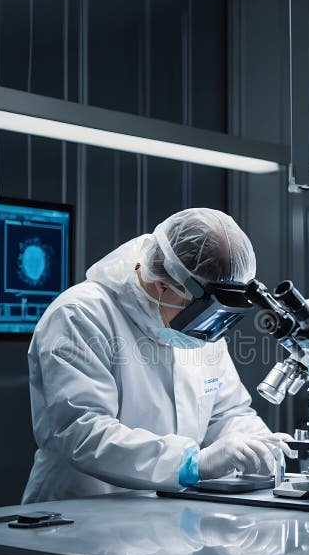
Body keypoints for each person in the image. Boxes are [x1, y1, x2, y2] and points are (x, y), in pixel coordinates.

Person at [22, 208, 289, 503]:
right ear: (165, 283)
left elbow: (226, 413)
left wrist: (259, 447)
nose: (210, 326)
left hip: (162, 519)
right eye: (200, 310)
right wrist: (191, 463)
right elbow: (82, 432)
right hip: (80, 513)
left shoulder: (199, 326)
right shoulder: (80, 315)